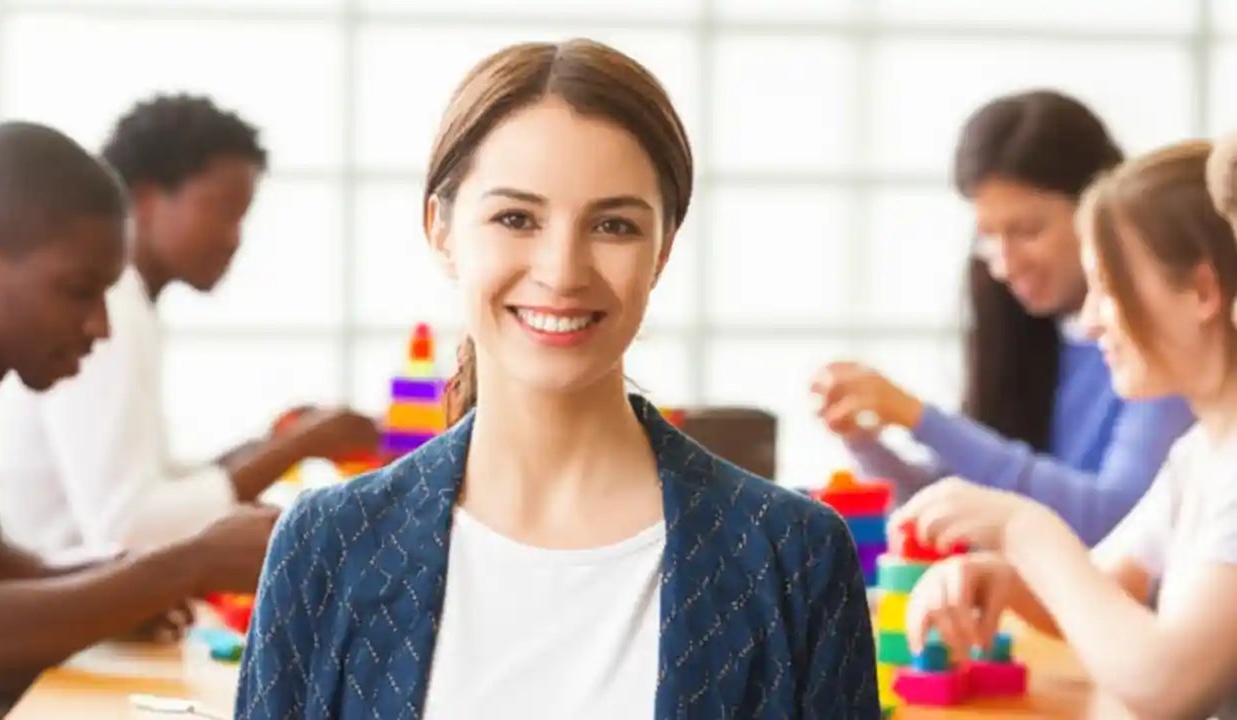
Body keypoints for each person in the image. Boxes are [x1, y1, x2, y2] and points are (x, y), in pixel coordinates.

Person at [235, 38, 879, 719]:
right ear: (441, 230)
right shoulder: (326, 545)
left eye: (614, 225)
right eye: (516, 218)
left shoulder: (793, 557)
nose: (563, 270)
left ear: (663, 249)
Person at [893, 140, 1237, 719]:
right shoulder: (1199, 454)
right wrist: (999, 579)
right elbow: (1106, 593)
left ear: (1202, 292)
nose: (1093, 320)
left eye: (1110, 288)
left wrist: (1022, 528)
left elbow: (1167, 684)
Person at [0, 122, 277, 719]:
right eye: (79, 291)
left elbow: (0, 567)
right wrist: (185, 566)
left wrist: (127, 594)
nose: (101, 328)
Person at [0, 94, 379, 561]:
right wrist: (297, 445)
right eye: (222, 210)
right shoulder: (108, 310)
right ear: (146, 199)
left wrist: (271, 443)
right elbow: (127, 526)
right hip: (66, 588)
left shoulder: (130, 304)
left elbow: (147, 489)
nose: (234, 238)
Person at [811, 90, 1194, 545]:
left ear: (1101, 213)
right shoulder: (1027, 332)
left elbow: (1115, 521)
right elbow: (955, 503)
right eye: (988, 236)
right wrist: (865, 440)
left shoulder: (1164, 342)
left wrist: (920, 418)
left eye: (1028, 231)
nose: (1005, 265)